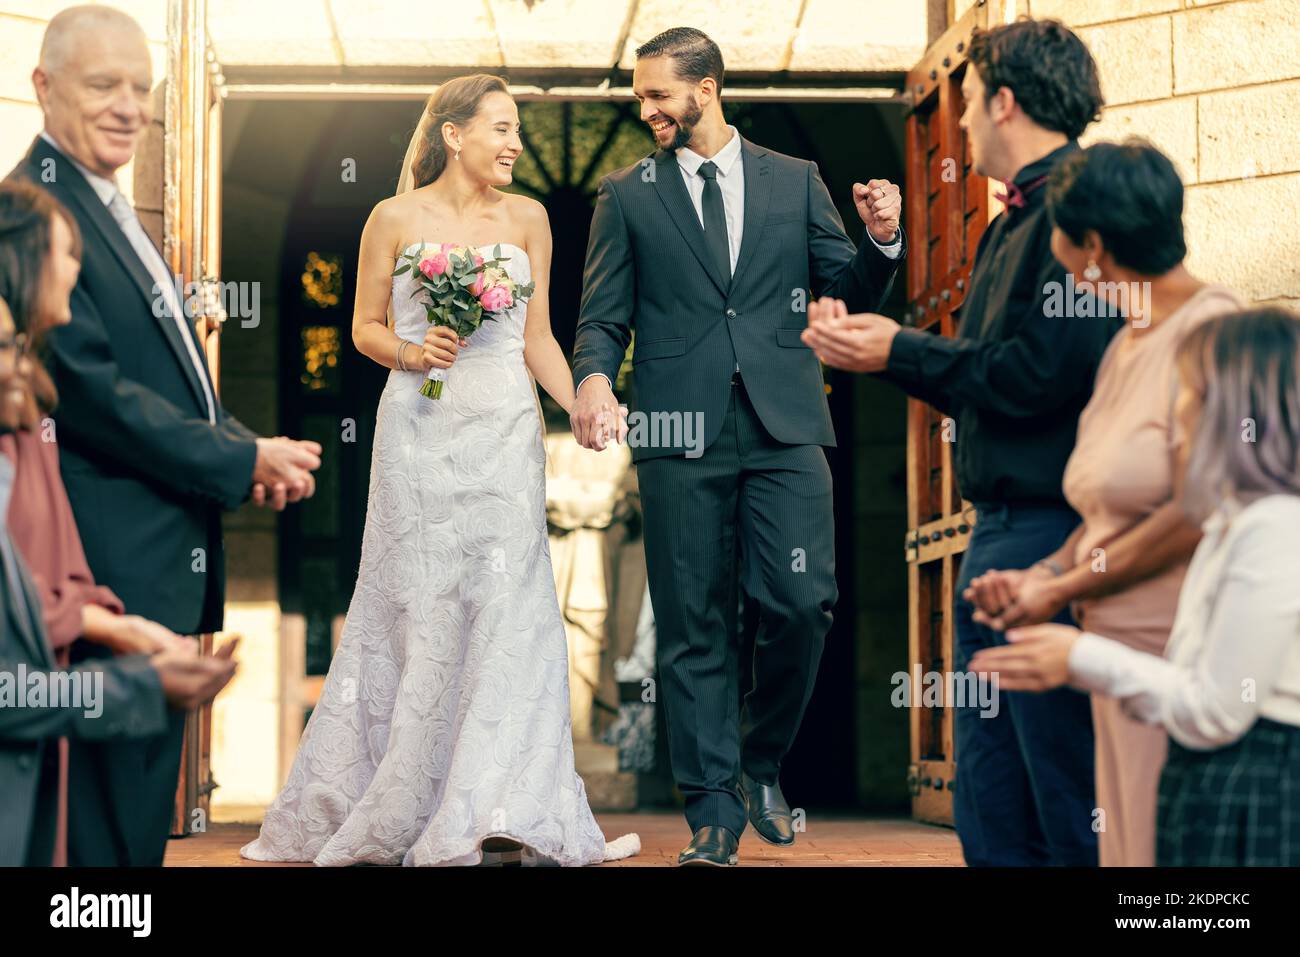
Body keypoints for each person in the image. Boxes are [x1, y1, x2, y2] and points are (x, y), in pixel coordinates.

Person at [240, 74, 639, 867]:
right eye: (501, 128)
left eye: (517, 129)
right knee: (417, 598)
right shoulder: (392, 218)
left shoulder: (528, 219)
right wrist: (412, 351)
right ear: (454, 135)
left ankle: (503, 803)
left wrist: (583, 407)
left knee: (508, 604)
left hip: (505, 430)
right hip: (418, 427)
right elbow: (362, 326)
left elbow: (537, 338)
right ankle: (405, 796)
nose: (515, 143)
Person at [570, 26, 905, 866]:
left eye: (657, 95)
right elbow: (602, 315)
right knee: (693, 622)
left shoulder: (795, 180)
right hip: (676, 434)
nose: (645, 110)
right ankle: (712, 811)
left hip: (786, 422)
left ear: (707, 89)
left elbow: (845, 293)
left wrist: (881, 240)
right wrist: (594, 379)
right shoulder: (627, 195)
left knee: (802, 600)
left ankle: (760, 759)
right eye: (640, 96)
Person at [5, 5, 320, 866]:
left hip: (145, 568)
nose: (128, 107)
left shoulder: (108, 206)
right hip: (97, 567)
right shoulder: (32, 210)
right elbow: (95, 395)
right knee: (95, 841)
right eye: (103, 85)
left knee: (131, 829)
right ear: (43, 86)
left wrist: (247, 451)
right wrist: (238, 458)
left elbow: (163, 381)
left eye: (141, 88)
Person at [801, 18, 1113, 866]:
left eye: (970, 101)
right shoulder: (1006, 226)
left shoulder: (1084, 212)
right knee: (990, 800)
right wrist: (877, 353)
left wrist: (898, 347)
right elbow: (984, 375)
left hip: (1052, 533)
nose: (961, 120)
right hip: (996, 532)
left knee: (1061, 793)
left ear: (1005, 102)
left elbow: (1039, 373)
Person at [962, 140, 1245, 866]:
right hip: (1111, 653)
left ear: (1091, 247)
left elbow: (1195, 512)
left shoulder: (1213, 334)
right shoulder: (1128, 342)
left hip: (1175, 657)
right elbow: (1104, 514)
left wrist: (1061, 589)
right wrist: (1042, 574)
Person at [971, 307, 1300, 867]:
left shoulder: (1272, 529)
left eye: (1190, 393)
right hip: (1214, 784)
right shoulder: (1230, 524)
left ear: (1234, 411)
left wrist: (1080, 657)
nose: (1179, 412)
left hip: (1255, 790)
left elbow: (1217, 710)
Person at [0, 292, 240, 867]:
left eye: (17, 344)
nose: (20, 364)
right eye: (5, 347)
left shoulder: (28, 436)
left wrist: (123, 632)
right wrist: (145, 686)